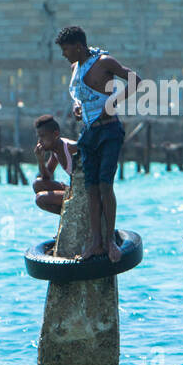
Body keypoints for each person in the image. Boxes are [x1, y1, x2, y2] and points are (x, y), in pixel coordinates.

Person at [55, 25, 140, 261]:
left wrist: (112, 102)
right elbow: (80, 97)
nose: (64, 55)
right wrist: (77, 107)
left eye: (66, 49)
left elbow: (136, 80)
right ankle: (95, 242)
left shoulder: (104, 62)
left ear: (79, 47)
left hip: (109, 131)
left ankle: (110, 240)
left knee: (105, 186)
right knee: (90, 188)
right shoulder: (75, 68)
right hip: (89, 132)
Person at [32, 114, 76, 215]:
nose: (39, 141)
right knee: (37, 184)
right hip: (74, 189)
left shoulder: (71, 148)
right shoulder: (55, 152)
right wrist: (40, 160)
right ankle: (69, 215)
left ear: (55, 134)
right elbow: (46, 178)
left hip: (87, 193)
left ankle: (72, 215)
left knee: (41, 199)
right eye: (38, 137)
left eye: (42, 136)